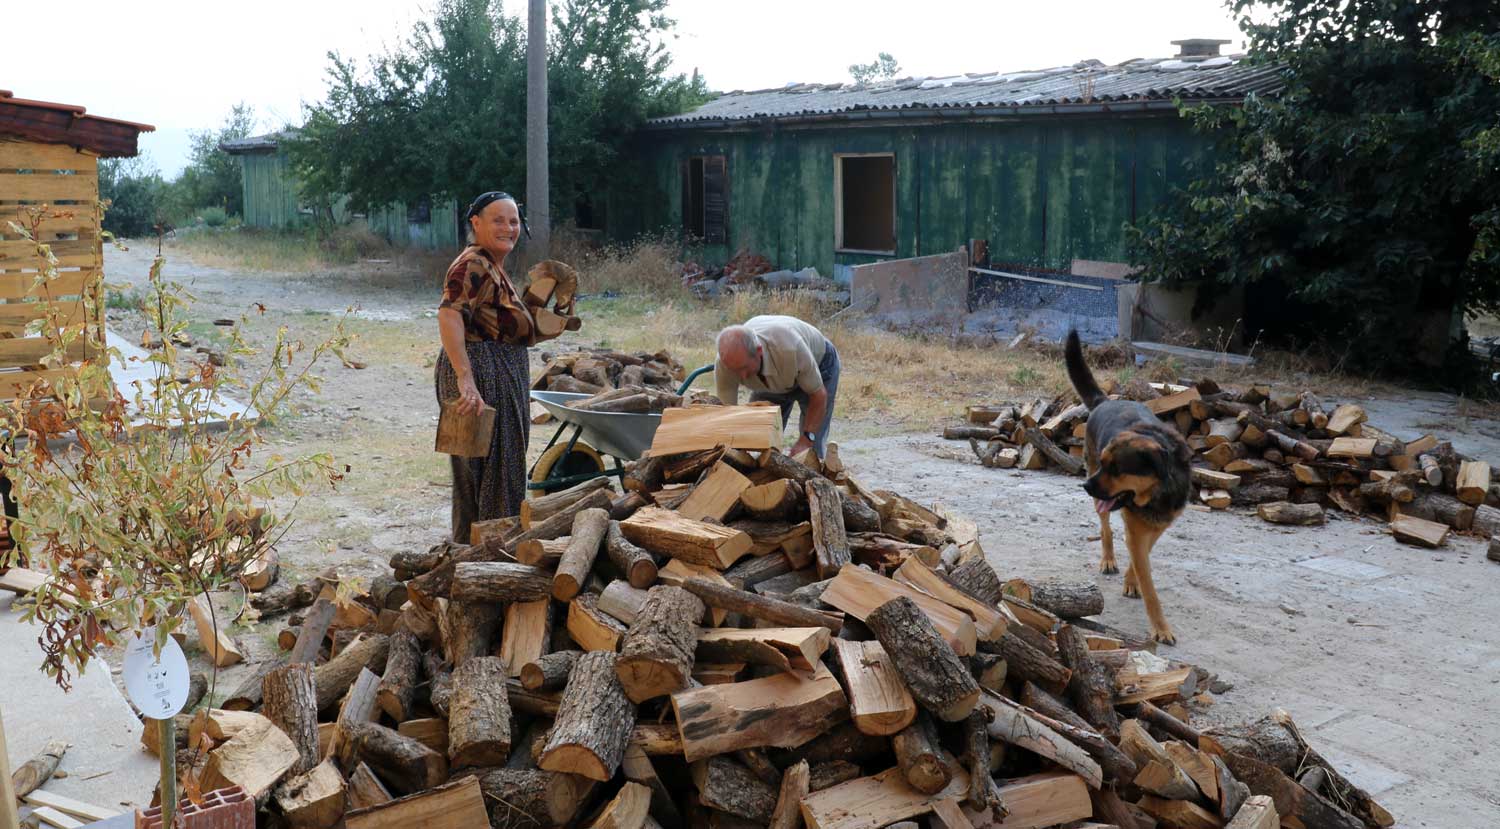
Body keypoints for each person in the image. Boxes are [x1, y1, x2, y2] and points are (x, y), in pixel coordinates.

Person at [435, 191, 533, 544]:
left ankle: (469, 556)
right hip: (482, 374)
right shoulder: (472, 263)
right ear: (475, 223)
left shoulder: (489, 264)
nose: (508, 227)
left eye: (514, 220)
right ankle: (492, 561)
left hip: (494, 371)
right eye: (498, 220)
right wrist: (466, 380)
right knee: (495, 477)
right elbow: (449, 315)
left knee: (480, 478)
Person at [714, 315, 840, 458]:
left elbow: (819, 396)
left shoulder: (790, 348)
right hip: (775, 372)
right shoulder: (725, 364)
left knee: (811, 452)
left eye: (744, 368)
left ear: (759, 352)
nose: (742, 377)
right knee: (759, 439)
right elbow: (727, 413)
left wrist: (806, 439)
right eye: (735, 371)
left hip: (819, 363)